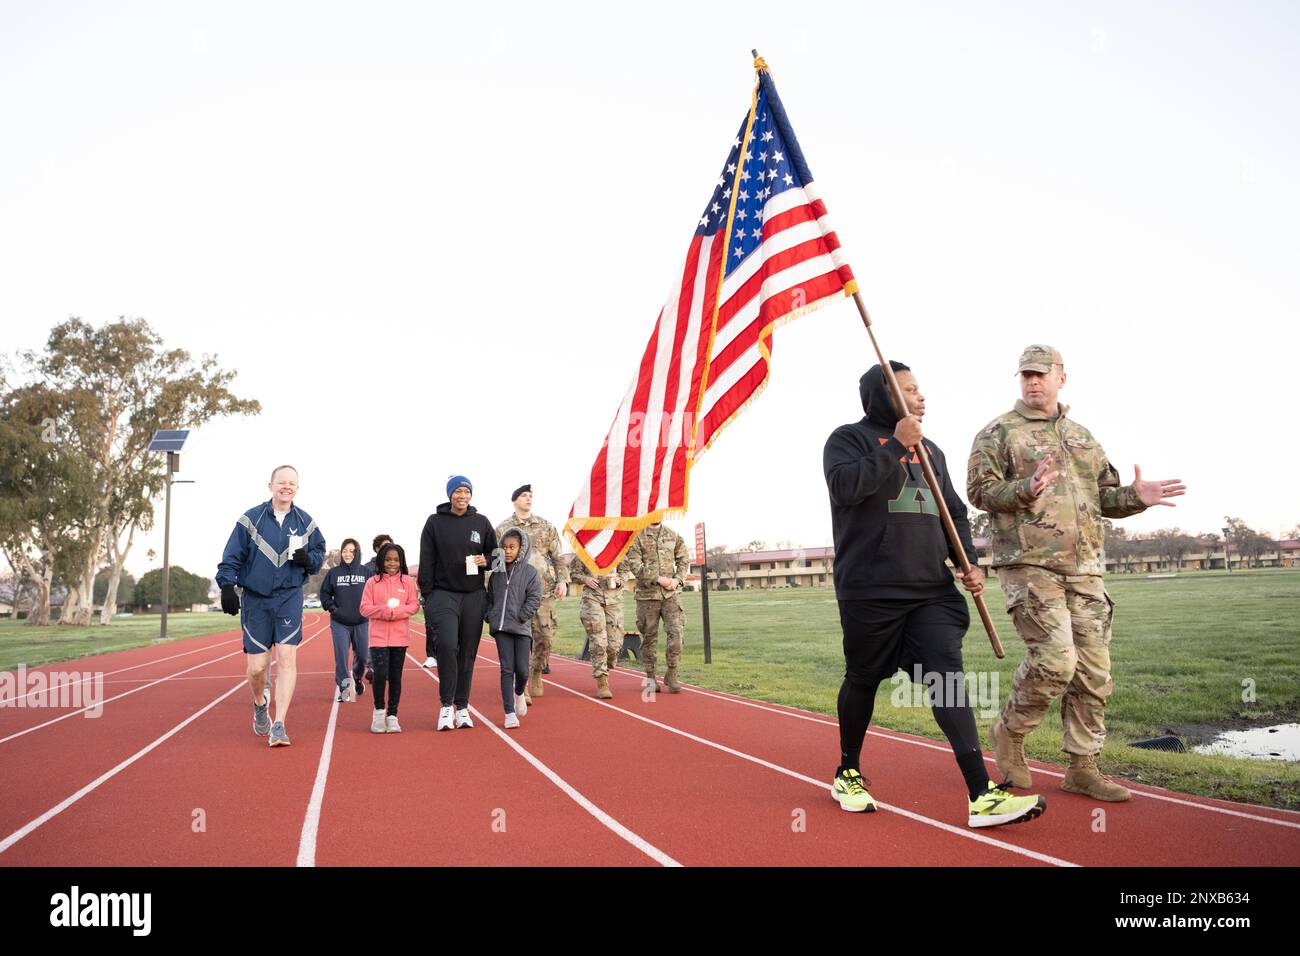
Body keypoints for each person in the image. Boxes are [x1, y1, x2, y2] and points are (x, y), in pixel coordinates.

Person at [824, 363, 1046, 827]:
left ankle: (980, 792)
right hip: (870, 590)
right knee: (863, 678)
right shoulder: (847, 440)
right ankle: (848, 770)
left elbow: (954, 513)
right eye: (908, 390)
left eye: (919, 388)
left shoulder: (932, 451)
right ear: (882, 396)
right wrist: (895, 444)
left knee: (946, 678)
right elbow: (847, 489)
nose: (921, 397)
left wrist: (966, 560)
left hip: (931, 592)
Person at [968, 345, 1186, 802]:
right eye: (1025, 375)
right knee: (1055, 661)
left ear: (1061, 377)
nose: (1032, 382)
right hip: (1030, 567)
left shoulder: (1083, 436)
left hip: (1085, 569)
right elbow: (980, 491)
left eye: (1041, 374)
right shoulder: (998, 432)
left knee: (1092, 672)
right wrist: (1023, 489)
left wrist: (1136, 496)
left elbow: (1104, 498)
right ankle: (1010, 732)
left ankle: (1082, 767)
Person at [216, 464, 326, 748]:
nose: (287, 487)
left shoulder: (306, 522)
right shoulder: (250, 519)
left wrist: (308, 561)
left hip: (289, 597)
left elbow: (318, 552)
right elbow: (231, 556)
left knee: (287, 659)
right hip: (256, 600)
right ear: (271, 486)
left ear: (297, 489)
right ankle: (259, 703)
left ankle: (280, 724)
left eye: (292, 483)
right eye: (282, 482)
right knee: (257, 667)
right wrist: (227, 586)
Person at [419, 476, 497, 731]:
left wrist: (486, 560)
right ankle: (445, 707)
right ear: (450, 494)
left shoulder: (481, 522)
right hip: (443, 594)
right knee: (447, 646)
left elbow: (496, 556)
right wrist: (429, 597)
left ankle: (462, 708)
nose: (462, 496)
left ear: (471, 495)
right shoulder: (435, 522)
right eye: (457, 492)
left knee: (467, 653)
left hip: (473, 595)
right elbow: (426, 561)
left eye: (466, 491)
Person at [494, 485, 569, 698]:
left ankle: (536, 672)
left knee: (545, 638)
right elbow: (497, 563)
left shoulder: (546, 526)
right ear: (514, 500)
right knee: (519, 639)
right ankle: (522, 683)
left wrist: (563, 580)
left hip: (543, 592)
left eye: (530, 496)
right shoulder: (503, 529)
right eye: (524, 496)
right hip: (514, 595)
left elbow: (559, 557)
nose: (528, 499)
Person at [360, 542, 420, 733]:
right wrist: (385, 611)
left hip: (399, 638)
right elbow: (364, 608)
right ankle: (378, 714)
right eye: (388, 560)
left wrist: (398, 611)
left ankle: (392, 715)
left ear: (400, 561)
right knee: (380, 675)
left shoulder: (408, 582)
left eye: (395, 560)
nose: (391, 563)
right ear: (381, 561)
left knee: (395, 677)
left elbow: (414, 606)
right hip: (377, 638)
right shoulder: (372, 582)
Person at [624, 521, 690, 694]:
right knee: (649, 638)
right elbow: (635, 565)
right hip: (647, 596)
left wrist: (677, 580)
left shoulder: (673, 535)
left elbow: (684, 559)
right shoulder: (637, 536)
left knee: (676, 633)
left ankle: (672, 673)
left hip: (671, 594)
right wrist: (658, 578)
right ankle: (651, 676)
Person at [485, 528, 541, 728]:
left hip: (521, 628)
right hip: (501, 628)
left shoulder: (530, 573)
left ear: (521, 548)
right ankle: (509, 713)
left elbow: (534, 598)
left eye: (512, 547)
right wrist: (489, 615)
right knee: (507, 669)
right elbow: (489, 598)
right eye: (504, 547)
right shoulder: (496, 573)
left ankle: (519, 693)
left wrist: (521, 616)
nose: (507, 551)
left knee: (523, 670)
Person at [571, 552, 630, 699]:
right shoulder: (585, 549)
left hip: (614, 600)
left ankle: (607, 665)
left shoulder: (617, 548)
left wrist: (620, 580)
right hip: (592, 599)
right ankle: (602, 681)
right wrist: (585, 579)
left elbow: (625, 571)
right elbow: (574, 573)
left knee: (614, 645)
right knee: (599, 641)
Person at [319, 538, 370, 702]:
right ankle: (344, 689)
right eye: (344, 551)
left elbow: (374, 593)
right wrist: (332, 607)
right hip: (339, 622)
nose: (347, 554)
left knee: (362, 657)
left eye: (351, 551)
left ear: (357, 552)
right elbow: (325, 593)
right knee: (341, 657)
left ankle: (357, 677)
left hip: (362, 621)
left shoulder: (366, 572)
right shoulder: (334, 573)